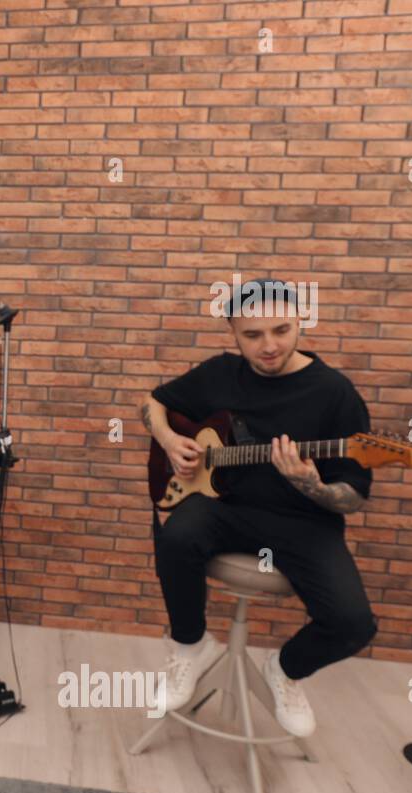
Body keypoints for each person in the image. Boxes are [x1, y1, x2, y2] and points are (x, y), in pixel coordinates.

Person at [140, 278, 378, 737]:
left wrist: (312, 484)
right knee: (175, 537)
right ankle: (190, 645)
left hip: (304, 521)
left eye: (282, 330)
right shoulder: (219, 373)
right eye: (253, 335)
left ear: (300, 323)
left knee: (353, 623)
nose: (269, 346)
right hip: (225, 507)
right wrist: (170, 442)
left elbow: (354, 494)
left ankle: (285, 671)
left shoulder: (335, 394)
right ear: (232, 330)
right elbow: (152, 403)